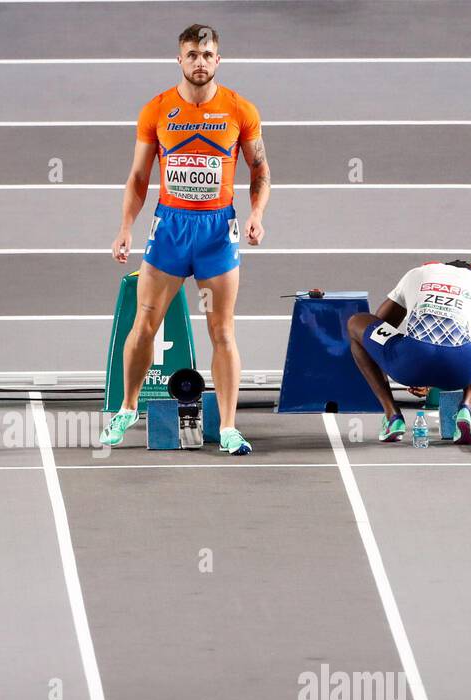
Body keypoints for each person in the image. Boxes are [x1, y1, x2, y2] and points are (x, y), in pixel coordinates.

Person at [101, 23, 269, 455]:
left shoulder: (240, 110)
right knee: (144, 324)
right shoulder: (157, 110)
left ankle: (229, 427)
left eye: (207, 55)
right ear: (180, 59)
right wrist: (125, 227)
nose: (199, 62)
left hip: (217, 231)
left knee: (222, 330)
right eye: (192, 55)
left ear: (218, 59)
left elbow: (261, 170)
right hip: (171, 229)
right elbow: (138, 177)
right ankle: (126, 408)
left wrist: (257, 215)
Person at [347, 260, 471, 443]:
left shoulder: (417, 273)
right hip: (461, 370)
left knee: (357, 322)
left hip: (408, 363)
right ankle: (469, 408)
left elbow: (382, 327)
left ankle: (392, 416)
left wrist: (419, 372)